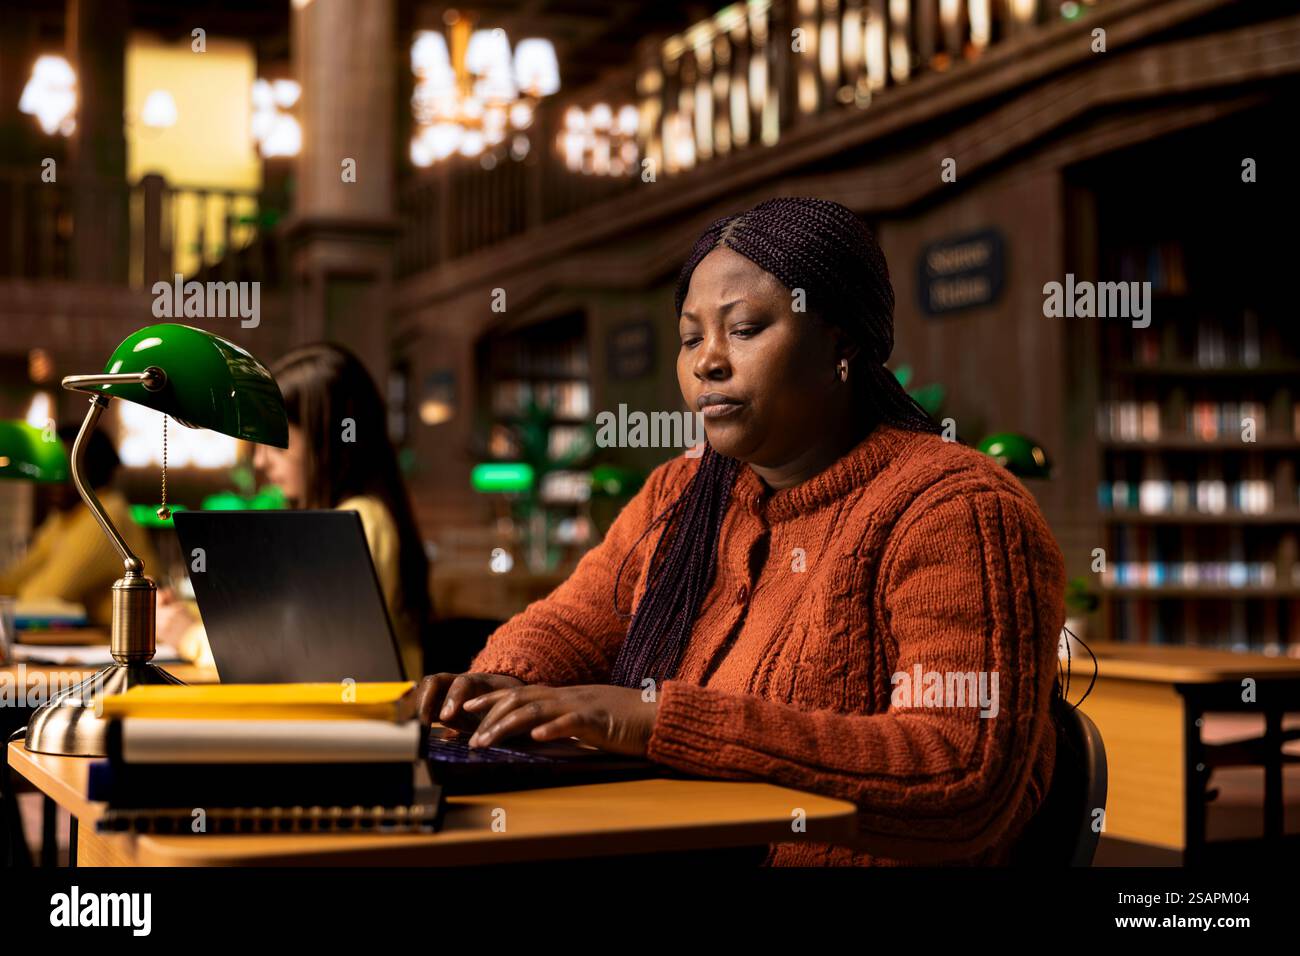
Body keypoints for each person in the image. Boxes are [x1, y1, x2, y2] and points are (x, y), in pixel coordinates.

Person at [415, 197, 1067, 866]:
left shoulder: (954, 509)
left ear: (841, 343)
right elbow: (575, 623)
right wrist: (493, 691)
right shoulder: (681, 492)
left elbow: (957, 777)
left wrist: (657, 722)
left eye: (746, 329)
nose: (708, 363)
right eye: (692, 337)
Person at [167, 343, 433, 680]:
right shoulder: (347, 518)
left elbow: (297, 656)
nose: (261, 461)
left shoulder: (362, 519)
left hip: (360, 724)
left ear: (328, 437)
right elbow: (281, 623)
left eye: (275, 441)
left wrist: (188, 636)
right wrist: (187, 614)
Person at [0, 426, 159, 628]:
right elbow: (13, 582)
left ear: (94, 470)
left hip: (138, 642)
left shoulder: (106, 515)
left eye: (65, 468)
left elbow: (42, 597)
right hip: (106, 640)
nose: (54, 478)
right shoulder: (66, 517)